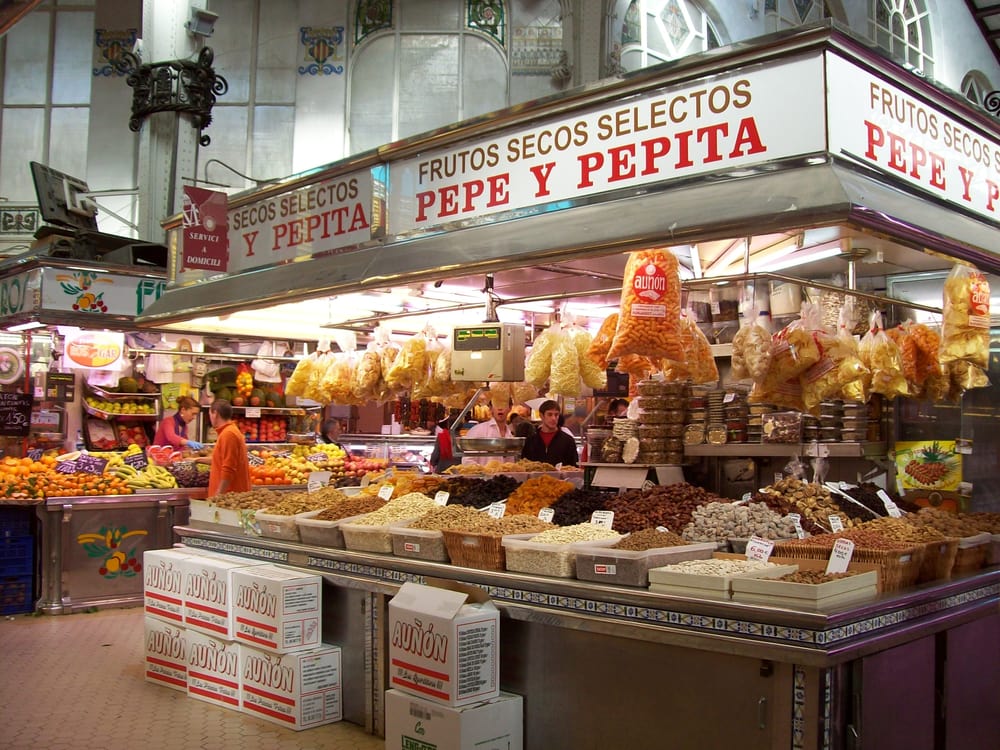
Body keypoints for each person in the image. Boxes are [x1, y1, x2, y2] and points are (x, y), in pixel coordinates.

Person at [206, 399, 252, 497]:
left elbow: (229, 467)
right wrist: (197, 459)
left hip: (229, 497)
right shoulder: (229, 431)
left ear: (215, 413)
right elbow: (222, 459)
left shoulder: (228, 434)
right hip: (229, 495)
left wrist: (219, 495)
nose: (209, 417)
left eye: (209, 413)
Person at [521, 399, 579, 466]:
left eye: (556, 415)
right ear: (541, 416)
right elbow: (524, 465)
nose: (553, 418)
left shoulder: (568, 441)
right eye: (550, 414)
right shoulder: (531, 441)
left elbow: (574, 468)